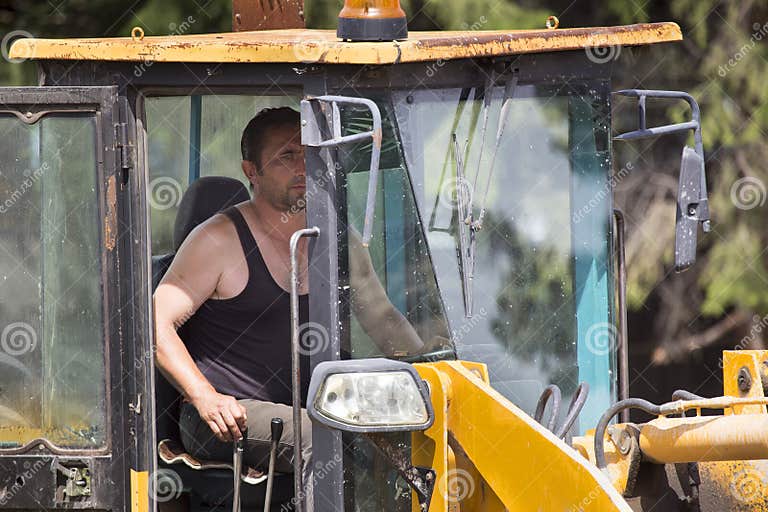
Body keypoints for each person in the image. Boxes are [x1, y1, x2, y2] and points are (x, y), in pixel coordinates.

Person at [153, 106, 425, 509]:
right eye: (286, 157)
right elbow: (155, 324)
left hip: (312, 405)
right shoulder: (217, 241)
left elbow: (383, 320)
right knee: (328, 438)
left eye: (307, 155)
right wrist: (206, 398)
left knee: (409, 431)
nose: (302, 167)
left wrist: (433, 373)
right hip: (225, 417)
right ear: (252, 171)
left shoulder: (336, 237)